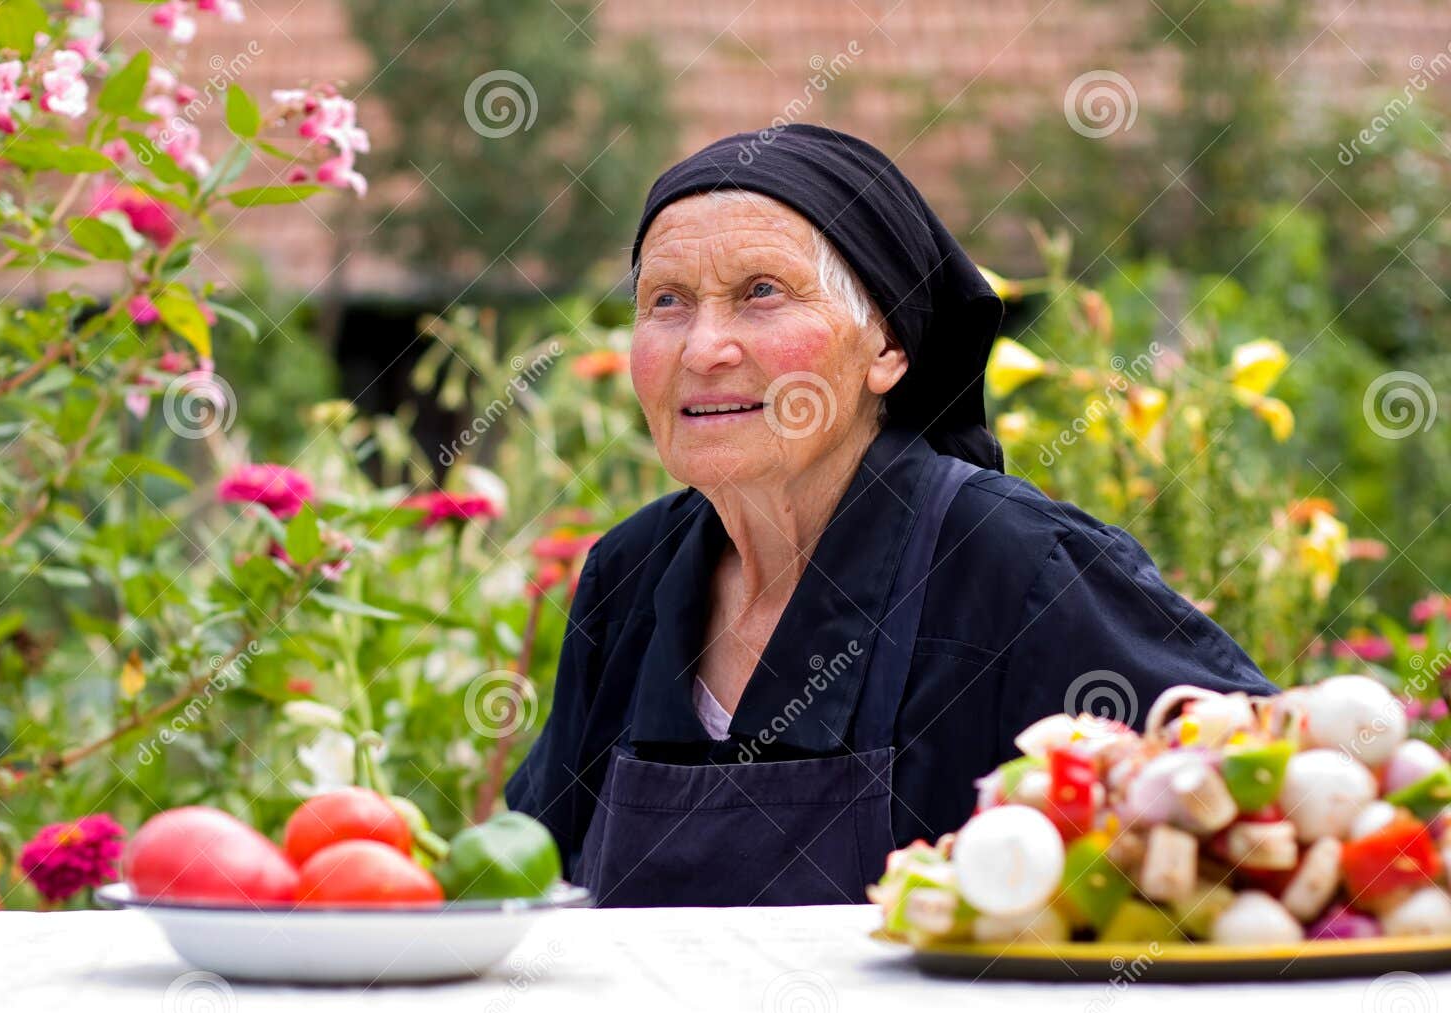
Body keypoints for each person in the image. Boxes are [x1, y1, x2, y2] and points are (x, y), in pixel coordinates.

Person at [505, 124, 1277, 907]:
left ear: (888, 347)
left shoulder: (1015, 564)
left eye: (761, 293)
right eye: (666, 302)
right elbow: (534, 879)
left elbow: (1264, 798)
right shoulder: (630, 574)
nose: (704, 348)